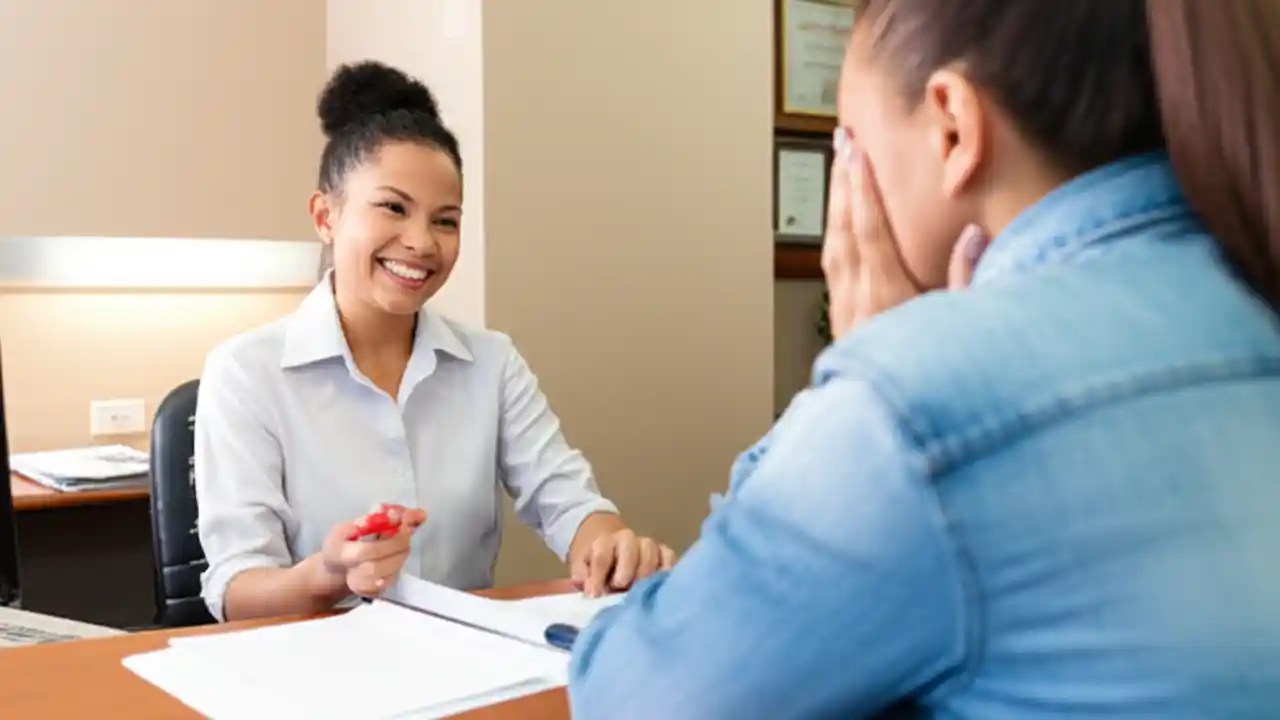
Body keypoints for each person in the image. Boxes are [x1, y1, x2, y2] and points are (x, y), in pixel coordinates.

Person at [569, 1, 1280, 717]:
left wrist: (871, 366)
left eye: (849, 141)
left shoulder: (922, 403)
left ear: (953, 127)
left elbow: (632, 698)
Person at [195, 61, 674, 623]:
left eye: (445, 221)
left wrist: (610, 542)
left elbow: (568, 502)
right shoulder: (245, 371)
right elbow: (235, 591)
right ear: (326, 216)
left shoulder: (491, 362)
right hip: (317, 674)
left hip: (466, 664)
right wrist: (328, 573)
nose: (422, 243)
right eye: (393, 208)